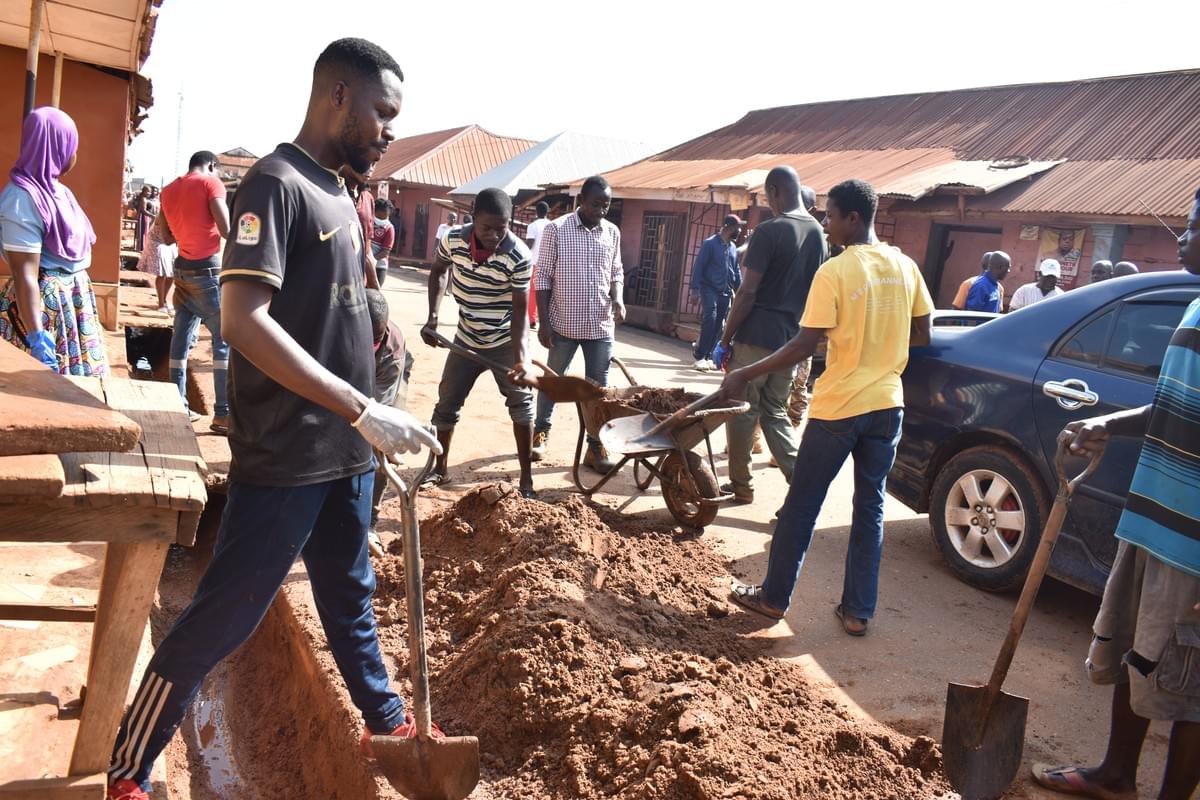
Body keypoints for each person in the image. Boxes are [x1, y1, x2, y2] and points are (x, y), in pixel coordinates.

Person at [104, 38, 441, 800]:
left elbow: (340, 300)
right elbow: (244, 320)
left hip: (349, 450)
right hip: (290, 454)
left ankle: (386, 722)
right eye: (382, 114)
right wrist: (360, 406)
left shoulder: (343, 193)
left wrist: (378, 351)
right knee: (226, 615)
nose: (389, 131)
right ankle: (128, 765)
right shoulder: (273, 186)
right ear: (339, 97)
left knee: (349, 594)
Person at [1032, 187, 1200, 800]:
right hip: (1152, 517)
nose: (1181, 238)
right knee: (1134, 651)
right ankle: (1115, 776)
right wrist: (1110, 423)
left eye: (1192, 227)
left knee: (1189, 685)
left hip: (1192, 543)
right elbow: (1176, 402)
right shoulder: (1196, 307)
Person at [724, 179, 933, 635]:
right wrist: (882, 342)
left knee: (801, 505)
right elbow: (923, 334)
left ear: (853, 219)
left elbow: (803, 345)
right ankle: (858, 612)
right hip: (887, 406)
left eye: (832, 215)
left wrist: (744, 372)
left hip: (840, 406)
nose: (826, 223)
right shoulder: (905, 266)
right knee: (870, 508)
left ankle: (773, 598)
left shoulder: (836, 271)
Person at [715, 166, 826, 503]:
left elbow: (747, 293)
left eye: (767, 196)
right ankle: (804, 487)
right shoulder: (819, 233)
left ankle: (741, 485)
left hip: (755, 337)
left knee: (741, 409)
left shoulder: (770, 230)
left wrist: (724, 339)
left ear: (776, 191)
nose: (768, 203)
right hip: (791, 341)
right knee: (775, 412)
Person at [421, 187, 536, 497]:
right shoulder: (453, 240)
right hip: (465, 339)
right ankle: (439, 469)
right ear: (473, 216)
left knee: (522, 407)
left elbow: (520, 313)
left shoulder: (518, 255)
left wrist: (521, 360)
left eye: (503, 227)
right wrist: (433, 317)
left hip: (503, 341)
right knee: (446, 405)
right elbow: (438, 271)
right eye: (487, 227)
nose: (495, 235)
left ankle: (526, 481)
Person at [0, 107, 108, 376]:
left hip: (75, 303)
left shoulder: (61, 192)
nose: (74, 155)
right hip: (41, 310)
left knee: (79, 390)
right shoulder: (21, 199)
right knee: (36, 393)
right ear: (55, 148)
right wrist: (37, 336)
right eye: (71, 146)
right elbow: (25, 274)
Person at [529, 176, 625, 471]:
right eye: (596, 203)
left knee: (598, 390)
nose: (601, 210)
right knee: (554, 382)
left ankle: (595, 446)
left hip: (599, 324)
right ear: (581, 200)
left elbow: (616, 271)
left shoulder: (612, 232)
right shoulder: (556, 230)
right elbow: (542, 275)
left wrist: (619, 299)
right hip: (563, 325)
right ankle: (541, 433)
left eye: (606, 205)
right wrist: (544, 323)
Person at [159, 150, 232, 432]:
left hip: (182, 270)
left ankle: (180, 405)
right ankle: (223, 414)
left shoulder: (168, 190)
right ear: (212, 166)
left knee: (181, 339)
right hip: (208, 271)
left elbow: (166, 237)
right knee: (223, 340)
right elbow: (226, 229)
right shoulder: (211, 184)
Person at [365, 288, 413, 557]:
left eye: (375, 339)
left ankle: (369, 523)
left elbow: (376, 410)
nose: (371, 343)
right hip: (351, 375)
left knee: (382, 441)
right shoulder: (335, 329)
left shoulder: (391, 347)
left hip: (388, 375)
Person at [689, 214, 743, 370]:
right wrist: (695, 290)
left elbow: (736, 270)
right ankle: (700, 356)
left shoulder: (732, 247)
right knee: (710, 319)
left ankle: (709, 356)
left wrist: (740, 290)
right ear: (728, 227)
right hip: (709, 289)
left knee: (719, 325)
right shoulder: (710, 244)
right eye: (737, 228)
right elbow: (699, 266)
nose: (739, 231)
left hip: (725, 292)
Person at [343, 165, 380, 289]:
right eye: (366, 161)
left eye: (374, 163)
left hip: (357, 283)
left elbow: (367, 248)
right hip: (330, 280)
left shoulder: (368, 198)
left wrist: (375, 287)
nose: (370, 168)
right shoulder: (328, 190)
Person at [138, 213, 176, 313]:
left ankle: (164, 299)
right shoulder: (163, 215)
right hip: (158, 242)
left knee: (172, 274)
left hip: (169, 243)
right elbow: (167, 236)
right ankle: (161, 304)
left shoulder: (177, 214)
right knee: (162, 273)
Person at [524, 200, 552, 328]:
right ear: (548, 212)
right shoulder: (553, 225)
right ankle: (547, 321)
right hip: (550, 265)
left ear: (536, 211)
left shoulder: (533, 226)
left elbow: (530, 244)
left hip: (536, 263)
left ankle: (532, 320)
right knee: (549, 293)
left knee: (534, 293)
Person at [370, 197, 395, 286]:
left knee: (375, 292)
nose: (382, 220)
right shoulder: (368, 223)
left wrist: (371, 260)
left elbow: (385, 251)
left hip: (379, 266)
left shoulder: (389, 228)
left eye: (385, 217)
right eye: (379, 217)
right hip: (362, 263)